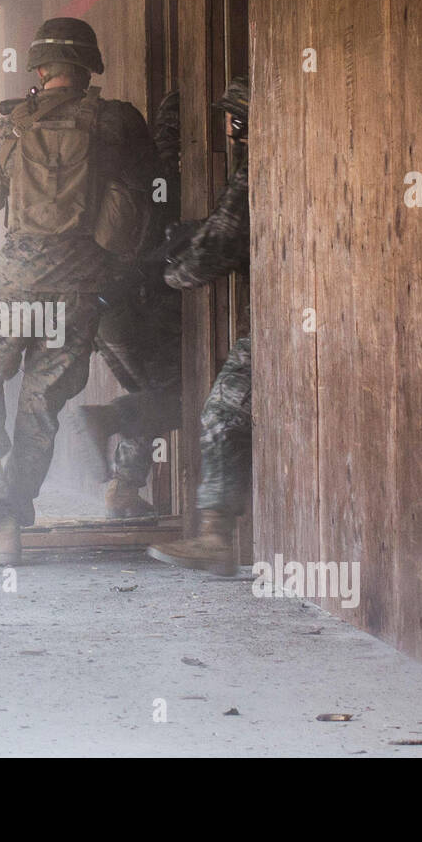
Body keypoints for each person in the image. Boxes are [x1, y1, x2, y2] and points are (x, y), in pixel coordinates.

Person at [0, 17, 159, 565]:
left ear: (39, 69)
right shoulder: (117, 122)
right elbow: (143, 186)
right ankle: (8, 528)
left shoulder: (10, 126)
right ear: (89, 67)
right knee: (39, 408)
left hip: (15, 288)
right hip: (79, 292)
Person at [147, 76, 252, 575]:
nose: (229, 127)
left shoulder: (256, 168)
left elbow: (221, 243)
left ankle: (216, 538)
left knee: (221, 414)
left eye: (234, 117)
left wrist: (171, 270)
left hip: (282, 326)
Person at [79, 90, 183, 518]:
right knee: (177, 398)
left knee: (152, 396)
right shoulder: (156, 180)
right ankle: (106, 422)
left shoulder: (95, 178)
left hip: (98, 311)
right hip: (135, 308)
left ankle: (122, 492)